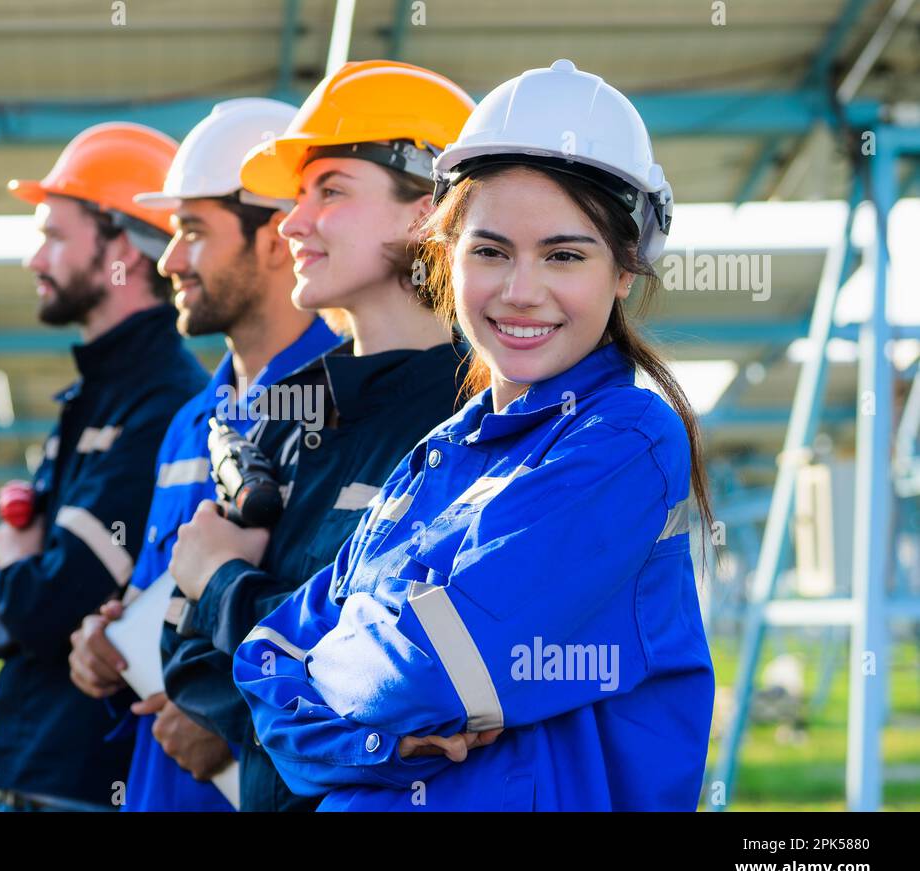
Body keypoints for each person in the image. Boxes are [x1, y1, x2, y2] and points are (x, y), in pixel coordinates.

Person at [233, 60, 716, 811]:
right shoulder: (435, 457)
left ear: (625, 270)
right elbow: (264, 663)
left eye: (564, 255)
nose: (521, 291)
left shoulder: (625, 440)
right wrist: (374, 732)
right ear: (446, 254)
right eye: (490, 251)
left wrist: (348, 657)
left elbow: (449, 670)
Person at [159, 61, 475, 812]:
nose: (293, 223)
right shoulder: (286, 409)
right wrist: (306, 689)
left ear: (429, 210)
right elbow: (187, 658)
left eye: (329, 190)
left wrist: (226, 587)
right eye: (297, 198)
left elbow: (413, 690)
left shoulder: (479, 420)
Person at [66, 98, 343, 812]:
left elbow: (361, 643)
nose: (169, 261)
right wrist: (110, 645)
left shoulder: (347, 412)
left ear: (278, 238)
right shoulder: (194, 418)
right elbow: (168, 602)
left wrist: (234, 720)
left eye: (192, 232)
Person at [0, 122, 209, 812]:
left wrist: (10, 566)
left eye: (55, 235)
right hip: (40, 770)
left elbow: (57, 601)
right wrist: (12, 582)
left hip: (89, 783)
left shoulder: (161, 402)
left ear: (121, 247)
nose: (34, 259)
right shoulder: (96, 398)